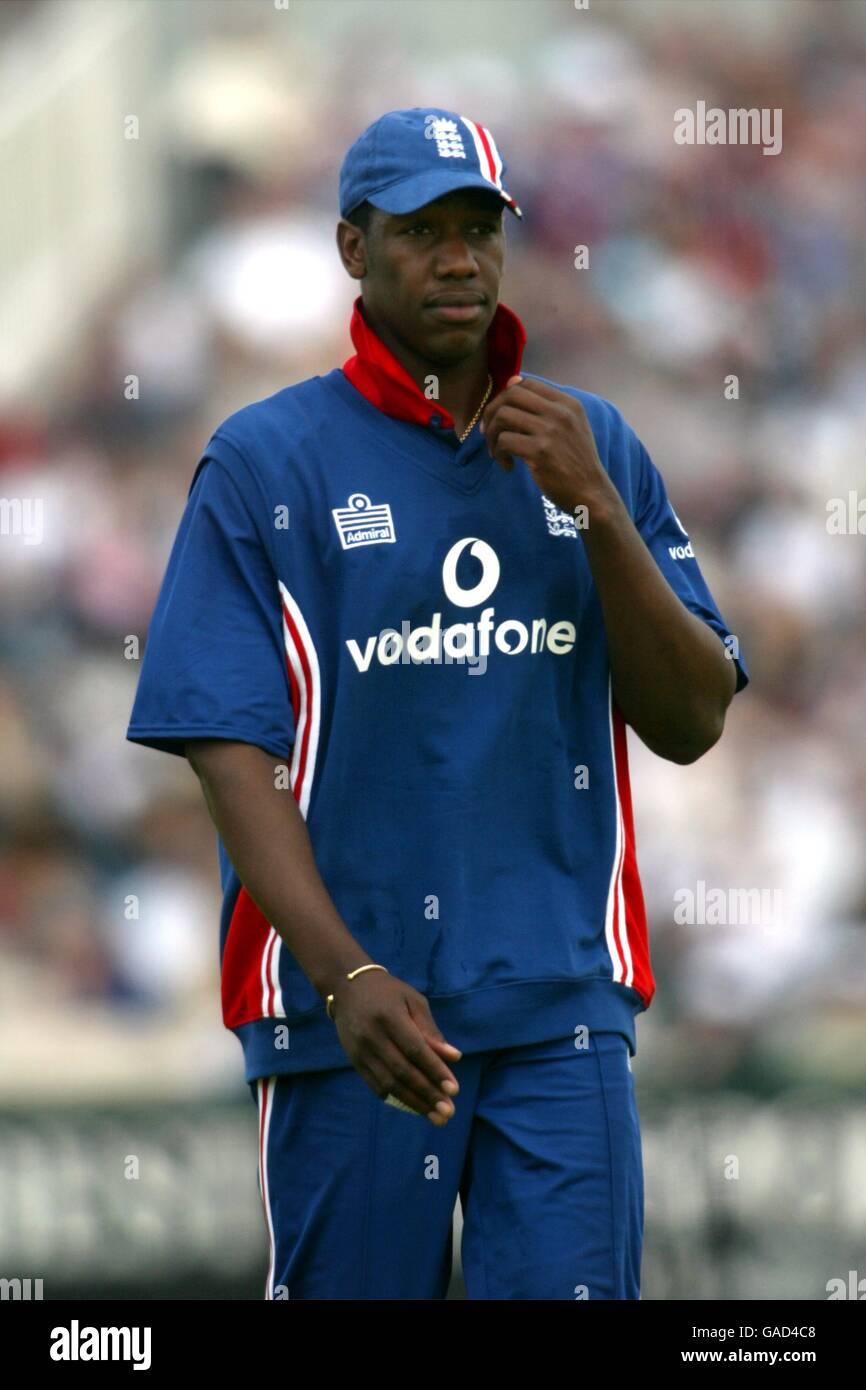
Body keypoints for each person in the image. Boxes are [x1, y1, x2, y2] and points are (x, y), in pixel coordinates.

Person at [126, 107, 749, 1300]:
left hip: (561, 1008)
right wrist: (342, 975)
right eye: (420, 230)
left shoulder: (590, 443)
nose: (456, 257)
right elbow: (227, 751)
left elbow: (691, 719)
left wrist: (597, 514)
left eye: (477, 228)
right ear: (354, 248)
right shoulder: (264, 461)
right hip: (355, 1020)